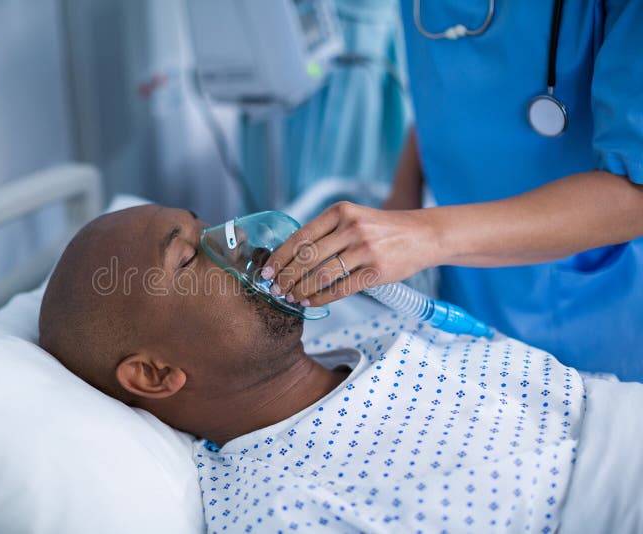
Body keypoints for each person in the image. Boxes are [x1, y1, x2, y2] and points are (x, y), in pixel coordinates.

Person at [39, 205, 642, 533]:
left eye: (207, 224)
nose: (239, 240)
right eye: (191, 255)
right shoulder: (278, 507)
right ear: (152, 375)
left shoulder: (357, 332)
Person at [261, 1, 643, 381]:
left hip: (600, 310)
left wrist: (426, 234)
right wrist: (401, 200)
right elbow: (453, 97)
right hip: (467, 297)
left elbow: (634, 195)